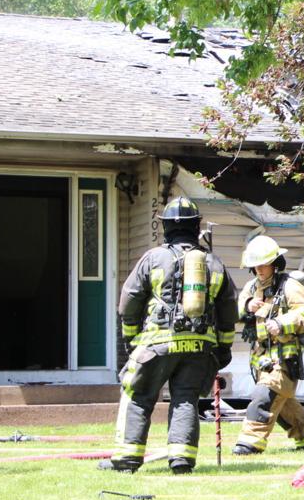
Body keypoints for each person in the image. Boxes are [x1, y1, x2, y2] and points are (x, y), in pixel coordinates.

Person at [101, 197, 237, 473]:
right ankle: (182, 460)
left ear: (166, 228)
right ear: (195, 226)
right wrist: (223, 350)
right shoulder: (213, 262)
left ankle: (127, 459)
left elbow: (129, 304)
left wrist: (131, 341)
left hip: (157, 344)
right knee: (186, 398)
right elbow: (228, 312)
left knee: (138, 395)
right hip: (200, 347)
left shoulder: (153, 258)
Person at [232, 235, 304, 455]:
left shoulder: (290, 286)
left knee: (264, 398)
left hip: (283, 360)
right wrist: (246, 305)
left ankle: (249, 443)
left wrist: (281, 323)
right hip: (260, 360)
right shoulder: (251, 288)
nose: (259, 270)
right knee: (284, 405)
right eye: (255, 266)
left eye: (264, 264)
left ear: (275, 263)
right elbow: (235, 312)